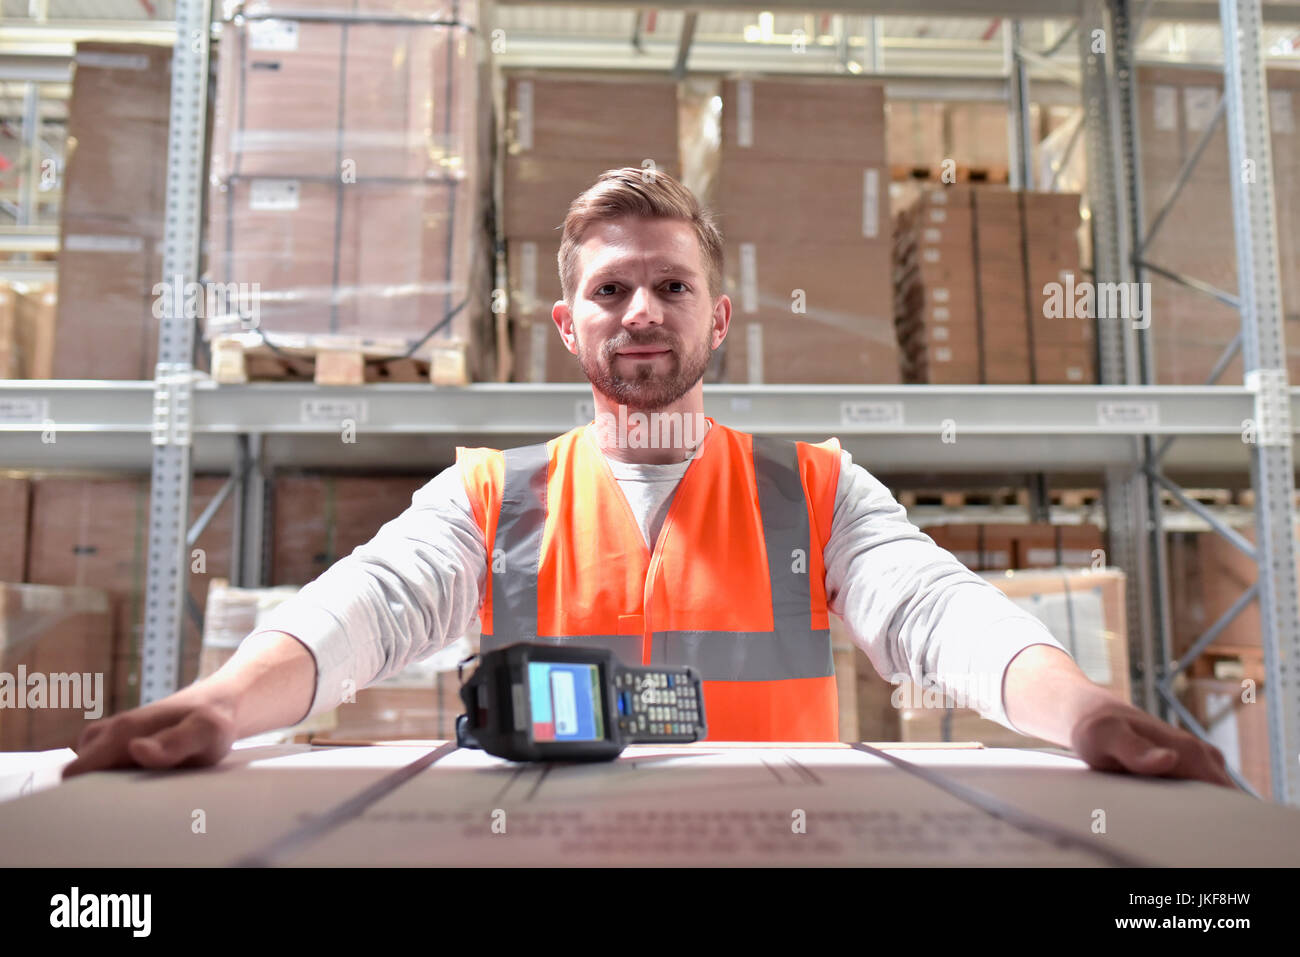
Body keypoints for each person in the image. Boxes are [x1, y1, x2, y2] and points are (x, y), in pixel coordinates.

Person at [64, 167, 1233, 788]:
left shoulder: (817, 491)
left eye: (670, 288)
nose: (641, 312)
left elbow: (942, 617)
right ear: (567, 326)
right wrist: (219, 703)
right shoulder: (489, 497)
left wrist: (1084, 712)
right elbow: (358, 612)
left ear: (716, 318)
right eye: (611, 290)